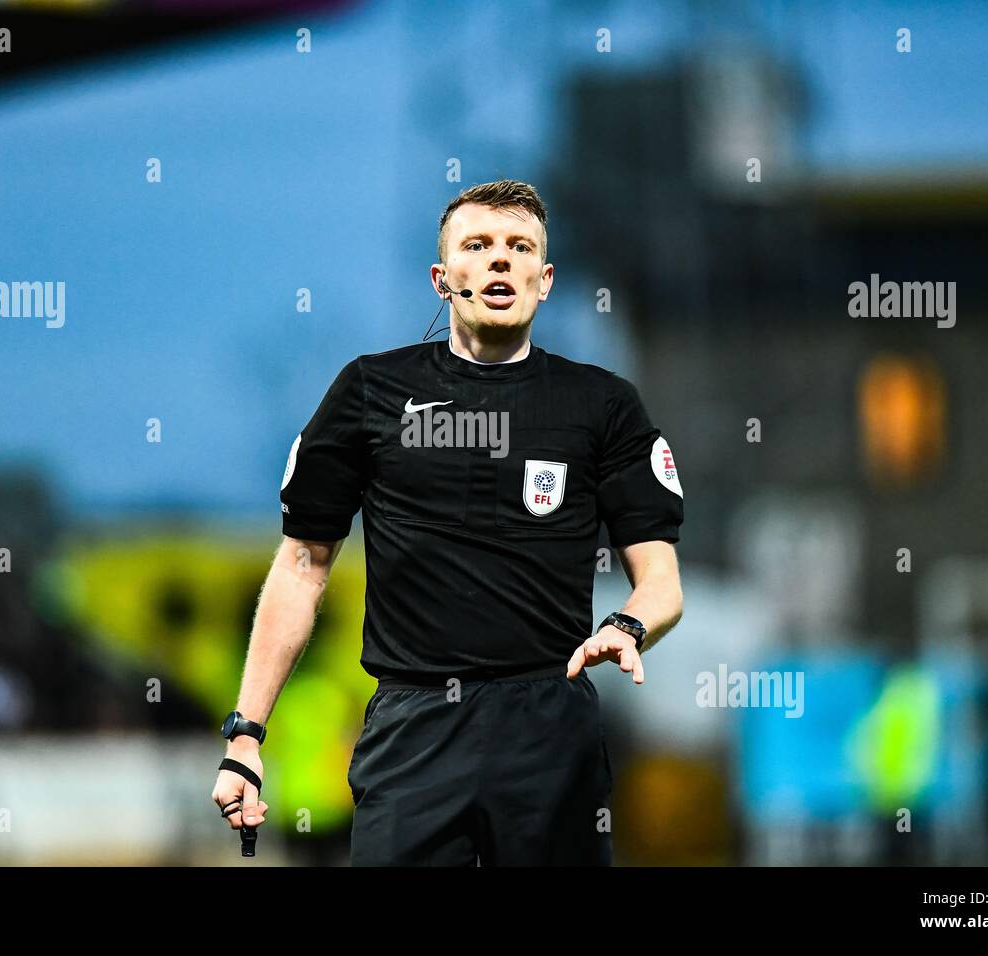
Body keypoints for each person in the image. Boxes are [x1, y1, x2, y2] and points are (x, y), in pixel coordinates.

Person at [211, 179, 684, 865]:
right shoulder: (370, 393)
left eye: (520, 247)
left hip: (549, 733)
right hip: (414, 733)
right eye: (478, 245)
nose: (501, 260)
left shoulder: (602, 406)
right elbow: (300, 569)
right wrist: (245, 736)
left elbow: (662, 580)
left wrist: (628, 626)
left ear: (545, 280)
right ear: (442, 277)